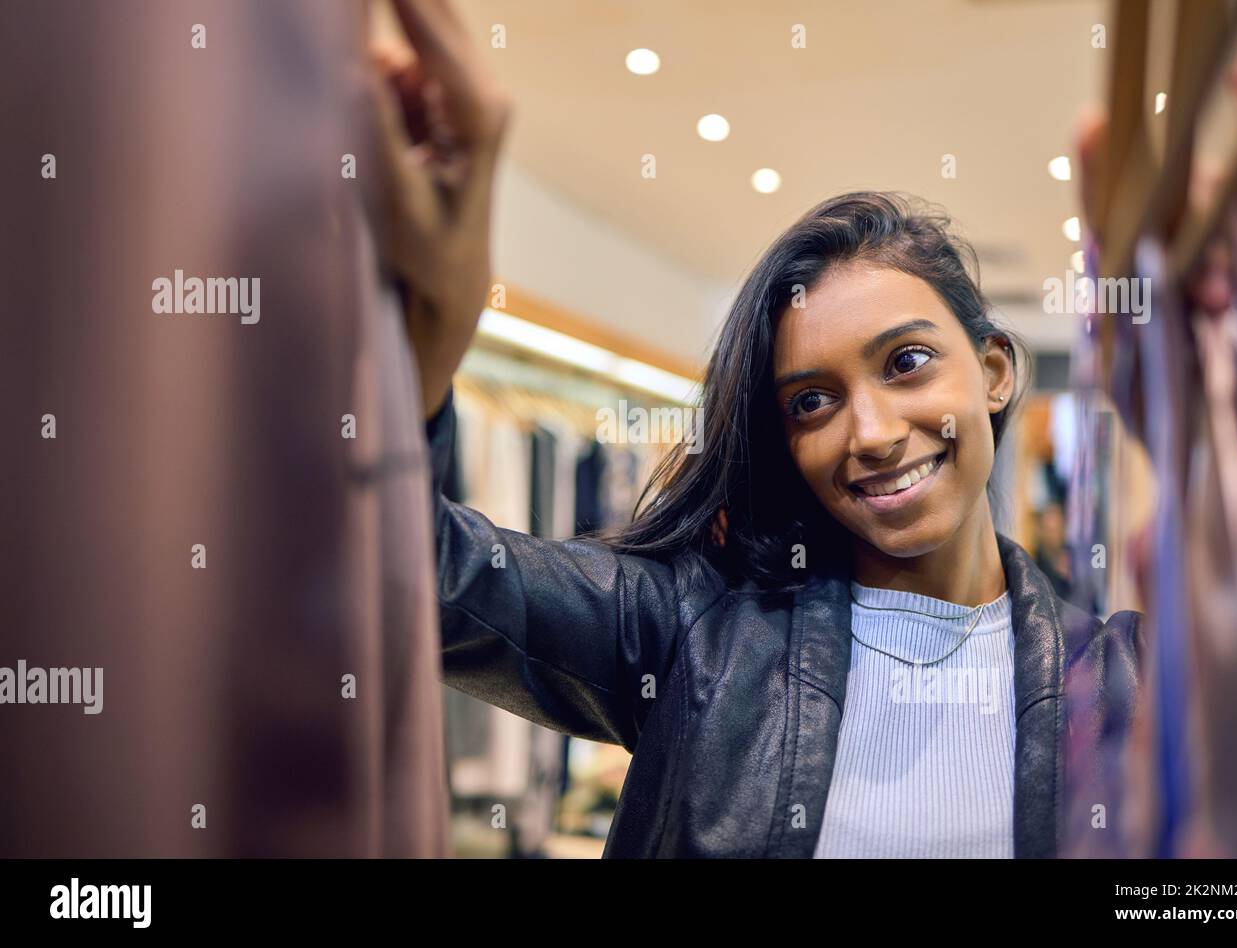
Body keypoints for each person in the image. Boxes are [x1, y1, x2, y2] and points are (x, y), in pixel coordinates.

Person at [372, 0, 1143, 858]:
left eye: (907, 362)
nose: (875, 432)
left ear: (994, 370)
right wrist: (422, 346)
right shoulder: (693, 633)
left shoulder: (1124, 688)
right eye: (812, 401)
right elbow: (415, 577)